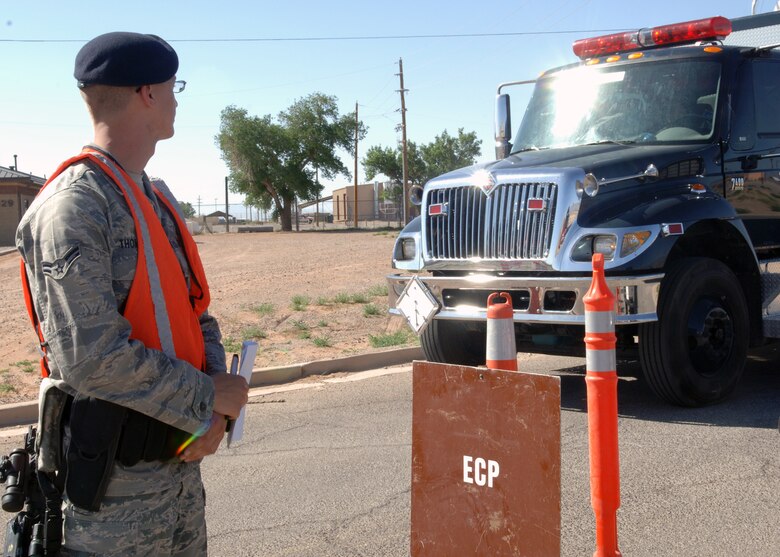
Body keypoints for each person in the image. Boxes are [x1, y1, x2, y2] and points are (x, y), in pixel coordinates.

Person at [16, 32, 249, 556]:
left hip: (179, 480)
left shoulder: (154, 195)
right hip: (110, 506)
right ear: (147, 93)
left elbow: (196, 315)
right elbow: (91, 358)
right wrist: (207, 398)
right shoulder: (73, 208)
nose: (175, 99)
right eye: (173, 87)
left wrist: (210, 414)